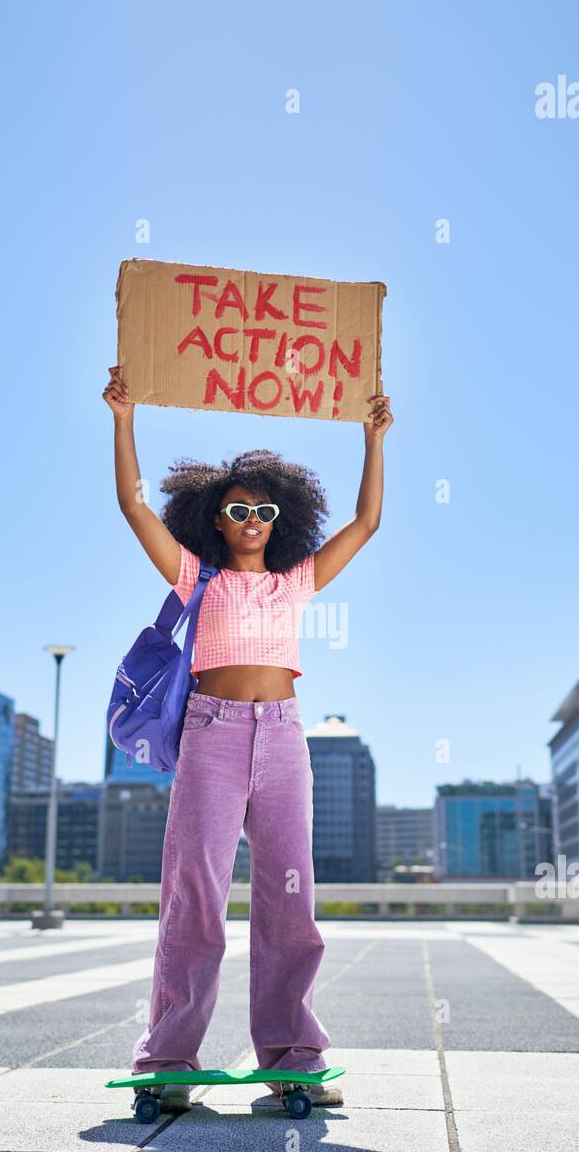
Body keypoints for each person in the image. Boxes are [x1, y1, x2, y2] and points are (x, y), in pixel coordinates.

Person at [103, 364, 393, 1111]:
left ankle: (293, 1052)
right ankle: (168, 1056)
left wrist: (372, 436)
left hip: (285, 737)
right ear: (216, 517)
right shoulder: (196, 578)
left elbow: (365, 525)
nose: (253, 519)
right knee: (193, 894)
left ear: (281, 517)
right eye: (238, 509)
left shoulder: (295, 582)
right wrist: (123, 418)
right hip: (212, 732)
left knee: (288, 894)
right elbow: (133, 507)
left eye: (265, 509)